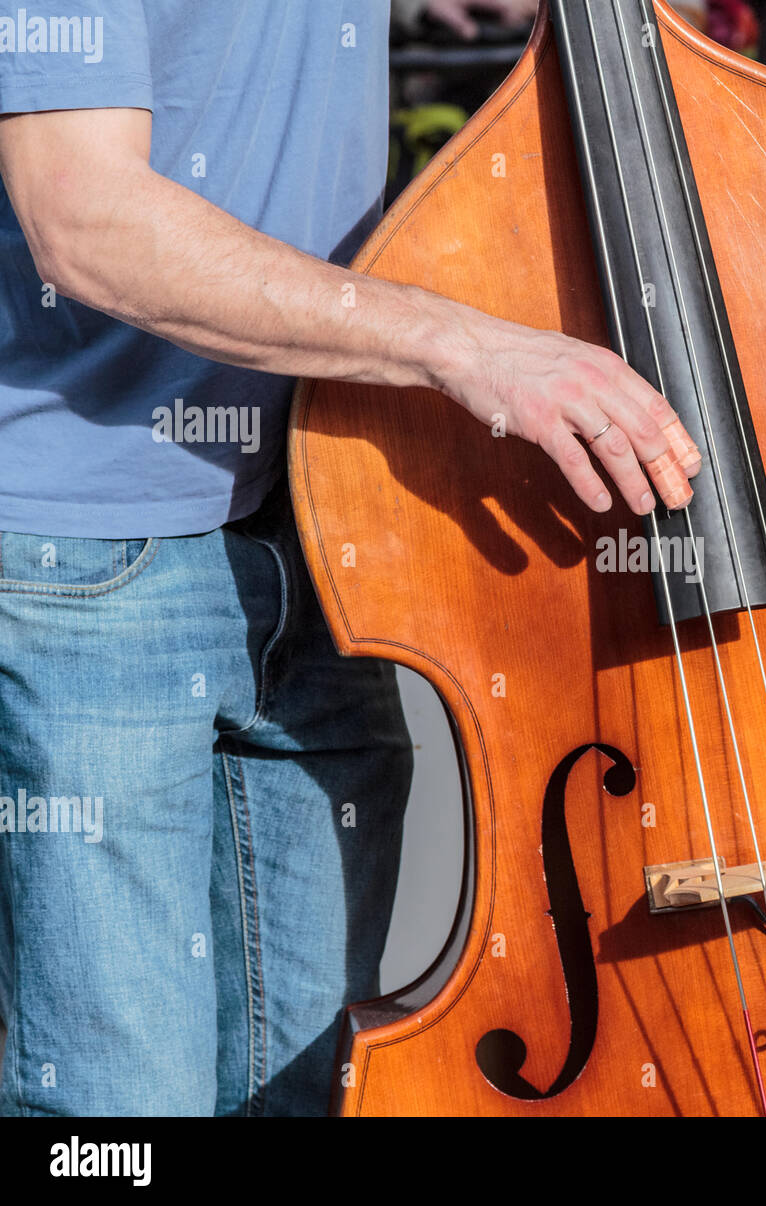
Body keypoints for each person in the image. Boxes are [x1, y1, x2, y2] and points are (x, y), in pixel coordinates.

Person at [0, 0, 696, 1116]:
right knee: (117, 1105)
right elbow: (81, 217)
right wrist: (454, 341)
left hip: (332, 516)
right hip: (87, 552)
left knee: (319, 1087)